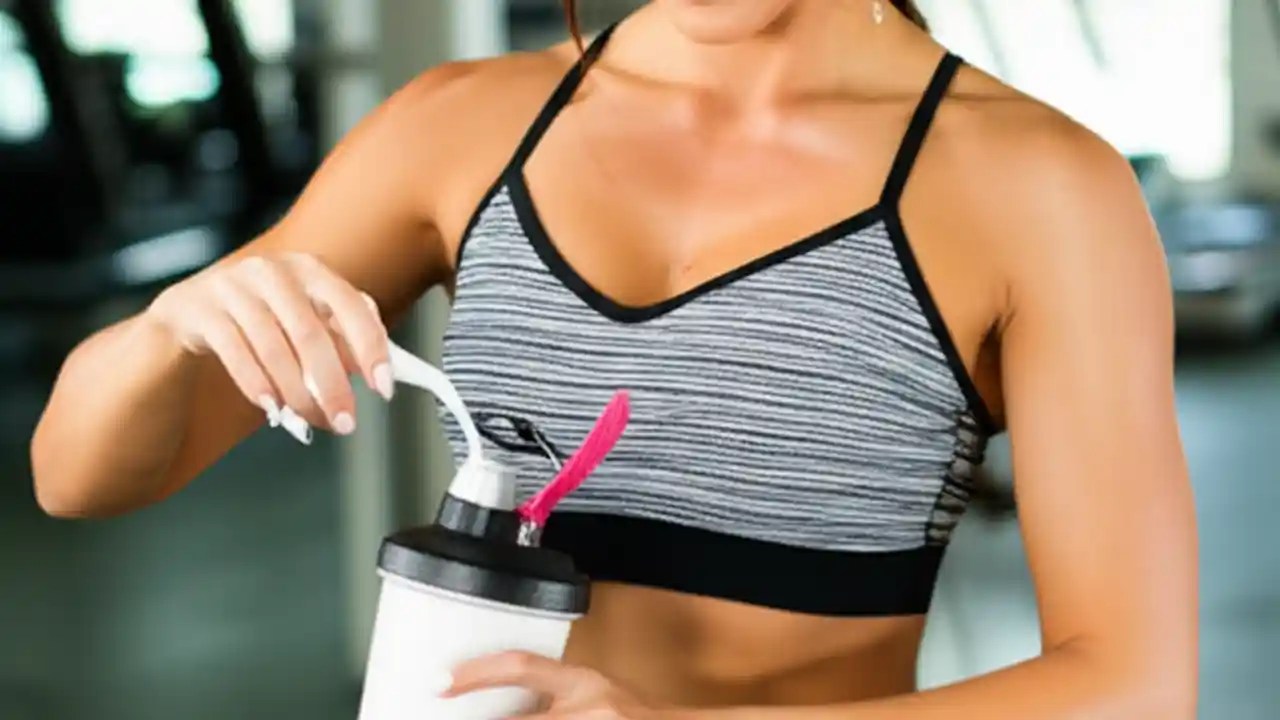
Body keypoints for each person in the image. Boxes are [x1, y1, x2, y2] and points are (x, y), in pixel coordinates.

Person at [32, 1, 1197, 717]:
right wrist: (174, 325)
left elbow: (1131, 687)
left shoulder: (1037, 187)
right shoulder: (463, 123)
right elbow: (78, 477)